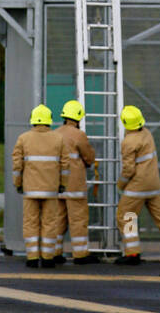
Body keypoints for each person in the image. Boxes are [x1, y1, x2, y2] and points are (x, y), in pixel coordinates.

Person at [115, 105, 160, 267]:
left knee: (126, 216)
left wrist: (121, 184)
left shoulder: (129, 142)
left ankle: (132, 253)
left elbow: (128, 169)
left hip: (137, 186)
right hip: (153, 184)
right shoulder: (147, 134)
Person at [12, 105, 63, 268]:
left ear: (33, 120)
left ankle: (32, 257)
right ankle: (48, 257)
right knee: (50, 222)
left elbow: (17, 165)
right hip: (51, 190)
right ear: (49, 120)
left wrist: (18, 184)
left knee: (30, 222)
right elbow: (66, 165)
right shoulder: (58, 138)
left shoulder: (23, 138)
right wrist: (62, 184)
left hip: (30, 189)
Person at [55, 100, 100, 266]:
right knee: (78, 219)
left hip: (58, 185)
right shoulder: (79, 135)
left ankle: (54, 252)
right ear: (78, 118)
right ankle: (80, 253)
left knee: (58, 219)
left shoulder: (56, 133)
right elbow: (88, 156)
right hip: (75, 186)